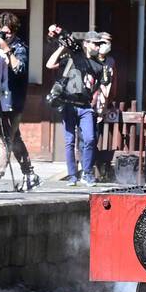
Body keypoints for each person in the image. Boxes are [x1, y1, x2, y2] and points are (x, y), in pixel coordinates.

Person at [0, 12, 40, 192]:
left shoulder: (20, 47)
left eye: (8, 33)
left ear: (14, 31)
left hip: (14, 100)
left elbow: (19, 68)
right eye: (2, 33)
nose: (5, 36)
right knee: (13, 138)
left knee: (5, 140)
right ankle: (30, 174)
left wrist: (6, 49)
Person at [46, 27, 101, 186]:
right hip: (69, 105)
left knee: (90, 139)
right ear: (86, 44)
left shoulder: (96, 65)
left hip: (85, 106)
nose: (97, 47)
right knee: (69, 141)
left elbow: (96, 86)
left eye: (98, 44)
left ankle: (87, 173)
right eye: (94, 43)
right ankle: (72, 175)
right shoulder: (71, 58)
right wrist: (63, 46)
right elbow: (50, 65)